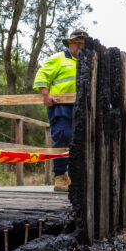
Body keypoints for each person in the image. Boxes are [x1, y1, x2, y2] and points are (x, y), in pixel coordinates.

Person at [33, 28, 87, 192]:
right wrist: (45, 94)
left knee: (80, 141)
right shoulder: (58, 59)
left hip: (82, 107)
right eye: (77, 43)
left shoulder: (88, 62)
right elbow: (41, 75)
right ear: (70, 44)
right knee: (63, 138)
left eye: (83, 44)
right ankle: (60, 176)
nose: (80, 47)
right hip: (61, 106)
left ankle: (75, 176)